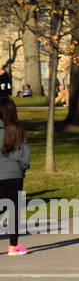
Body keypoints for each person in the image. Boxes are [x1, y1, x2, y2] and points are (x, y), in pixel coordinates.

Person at [0, 96, 31, 255]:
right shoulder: (17, 130)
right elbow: (25, 155)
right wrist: (23, 169)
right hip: (14, 175)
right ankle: (13, 246)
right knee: (13, 211)